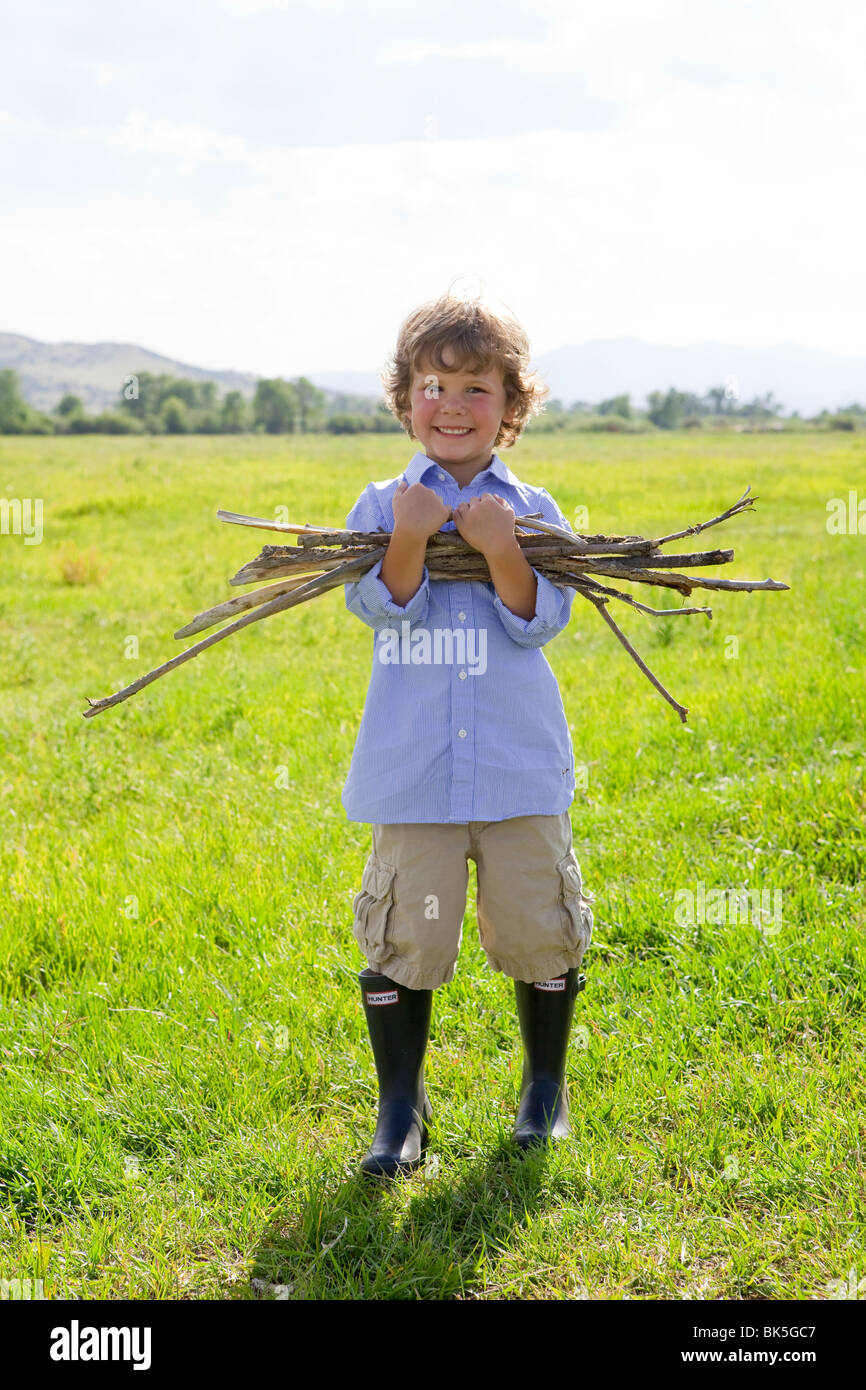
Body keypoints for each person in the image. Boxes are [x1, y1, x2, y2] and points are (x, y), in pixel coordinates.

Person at [342, 289, 593, 1178]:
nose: (452, 404)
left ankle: (544, 1092)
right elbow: (383, 611)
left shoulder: (533, 506)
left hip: (519, 766)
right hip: (414, 772)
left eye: (477, 388)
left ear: (512, 409)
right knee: (407, 934)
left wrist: (501, 550)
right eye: (432, 384)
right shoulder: (381, 503)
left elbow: (538, 622)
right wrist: (409, 535)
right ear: (406, 399)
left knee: (540, 927)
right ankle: (400, 1112)